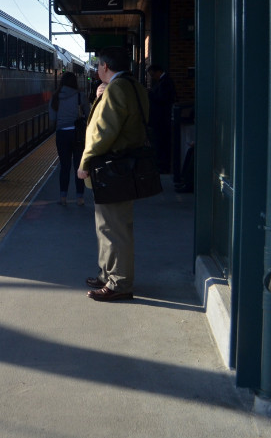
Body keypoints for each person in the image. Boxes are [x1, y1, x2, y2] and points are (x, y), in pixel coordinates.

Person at [76, 47, 150, 302]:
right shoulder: (133, 86)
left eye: (98, 67)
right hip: (123, 164)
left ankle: (119, 283)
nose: (97, 71)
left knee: (113, 228)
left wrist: (85, 161)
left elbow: (103, 130)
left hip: (113, 167)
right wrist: (99, 97)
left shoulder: (117, 89)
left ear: (105, 67)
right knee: (107, 225)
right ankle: (107, 274)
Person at [49, 72, 86, 206]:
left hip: (62, 135)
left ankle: (63, 198)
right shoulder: (80, 96)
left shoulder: (55, 97)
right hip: (77, 135)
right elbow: (88, 114)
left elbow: (52, 119)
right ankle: (80, 198)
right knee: (78, 166)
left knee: (64, 166)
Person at [146, 64, 177, 173]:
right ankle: (161, 164)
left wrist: (150, 94)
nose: (152, 77)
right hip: (160, 118)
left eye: (153, 74)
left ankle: (163, 166)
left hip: (162, 118)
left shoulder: (165, 82)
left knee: (161, 143)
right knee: (160, 143)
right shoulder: (163, 82)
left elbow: (163, 99)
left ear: (158, 71)